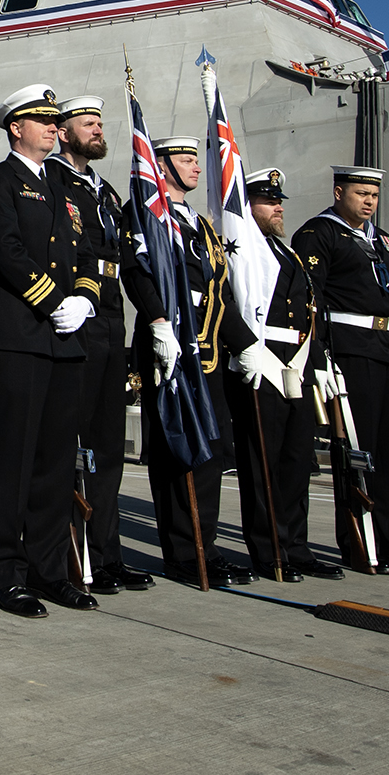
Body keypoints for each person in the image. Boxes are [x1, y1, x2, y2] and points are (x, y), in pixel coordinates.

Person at [0, 85, 101, 618]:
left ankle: (50, 570)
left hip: (65, 340)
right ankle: (4, 572)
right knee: (12, 459)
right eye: (42, 119)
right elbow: (5, 249)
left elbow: (89, 252)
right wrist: (53, 301)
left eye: (55, 120)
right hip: (19, 335)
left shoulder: (66, 188)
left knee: (54, 463)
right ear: (15, 128)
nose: (53, 126)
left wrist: (85, 300)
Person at [292, 166, 389, 576]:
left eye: (374, 195)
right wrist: (320, 356)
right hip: (350, 349)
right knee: (359, 452)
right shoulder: (319, 234)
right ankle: (361, 543)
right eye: (361, 193)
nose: (369, 202)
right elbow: (311, 297)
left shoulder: (384, 241)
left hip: (388, 349)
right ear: (338, 192)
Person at [120, 137, 258, 588]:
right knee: (177, 451)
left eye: (197, 159)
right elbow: (137, 272)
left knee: (210, 453)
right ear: (160, 166)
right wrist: (157, 321)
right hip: (171, 344)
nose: (196, 167)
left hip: (208, 350)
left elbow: (220, 292)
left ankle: (206, 547)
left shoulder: (200, 224)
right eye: (185, 159)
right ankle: (184, 553)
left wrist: (247, 344)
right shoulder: (145, 213)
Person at [48, 96, 151, 595]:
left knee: (107, 445)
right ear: (63, 131)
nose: (98, 130)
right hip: (74, 314)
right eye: (88, 123)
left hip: (111, 316)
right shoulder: (52, 180)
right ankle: (69, 552)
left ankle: (108, 554)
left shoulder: (104, 191)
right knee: (71, 442)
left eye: (100, 123)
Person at [223, 167, 347, 582]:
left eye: (279, 202)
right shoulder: (242, 251)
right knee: (264, 463)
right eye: (269, 201)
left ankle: (297, 546)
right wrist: (245, 348)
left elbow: (310, 310)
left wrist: (319, 360)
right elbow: (229, 302)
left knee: (296, 461)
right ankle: (269, 549)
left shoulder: (286, 251)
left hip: (297, 363)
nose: (278, 208)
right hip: (262, 362)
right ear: (248, 206)